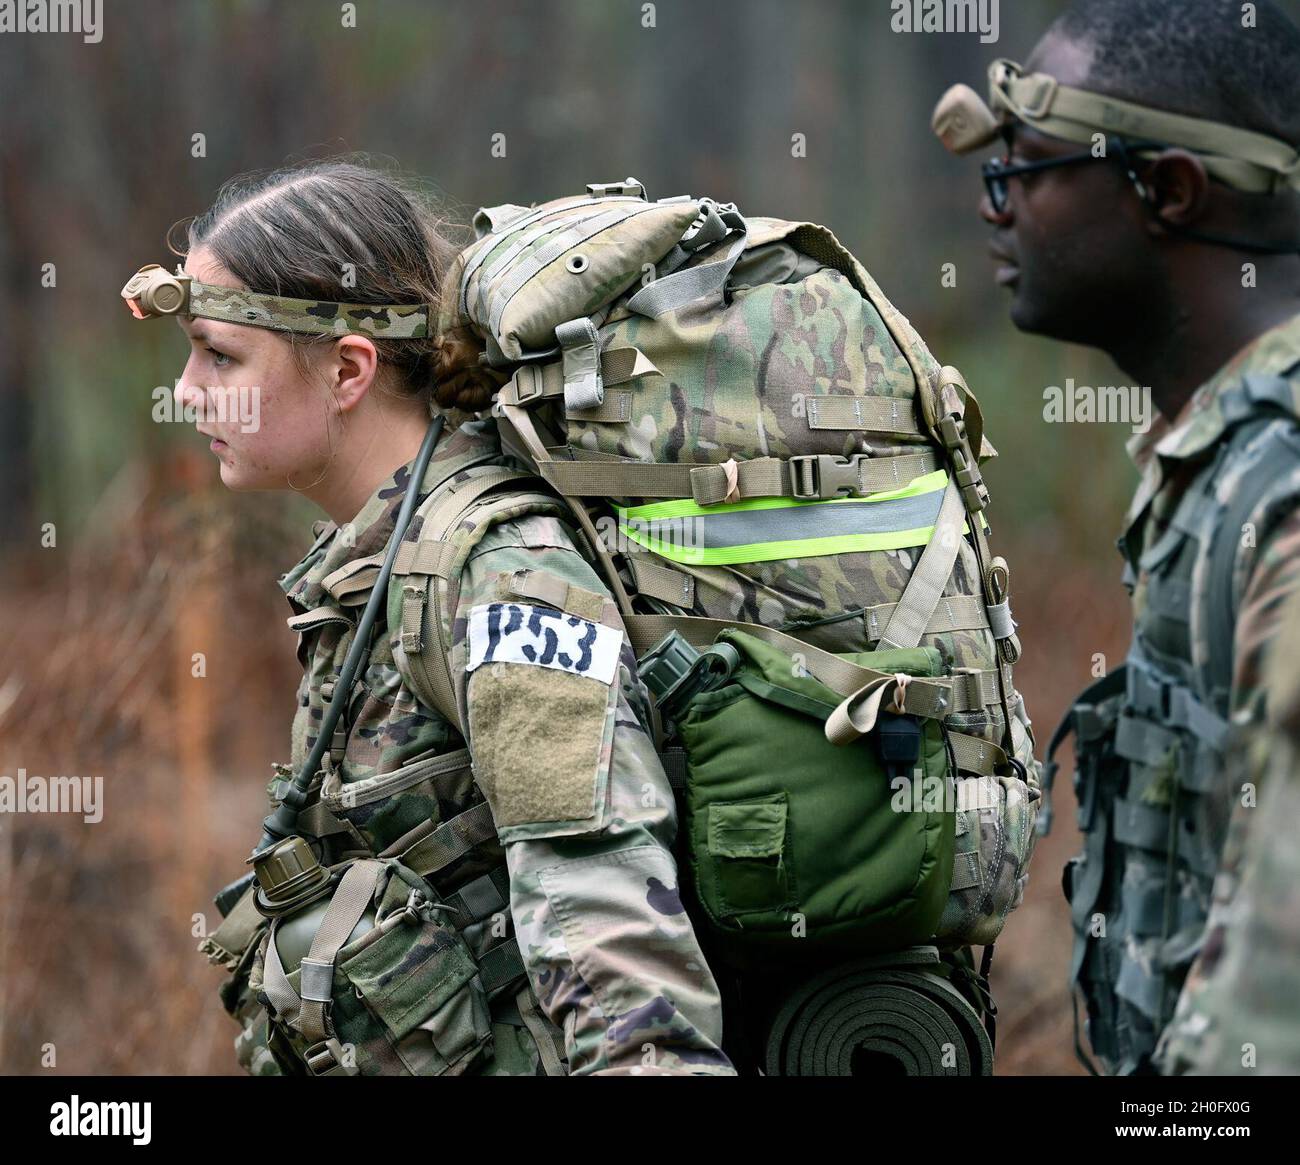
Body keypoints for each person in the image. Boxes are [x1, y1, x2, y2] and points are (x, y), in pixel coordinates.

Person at [122, 158, 735, 1076]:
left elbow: (609, 927)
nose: (187, 389)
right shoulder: (371, 567)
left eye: (220, 356)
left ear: (347, 371)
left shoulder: (498, 572)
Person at [933, 0, 1300, 1074]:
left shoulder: (1278, 486)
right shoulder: (1221, 458)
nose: (994, 208)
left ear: (1166, 190)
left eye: (1025, 168)